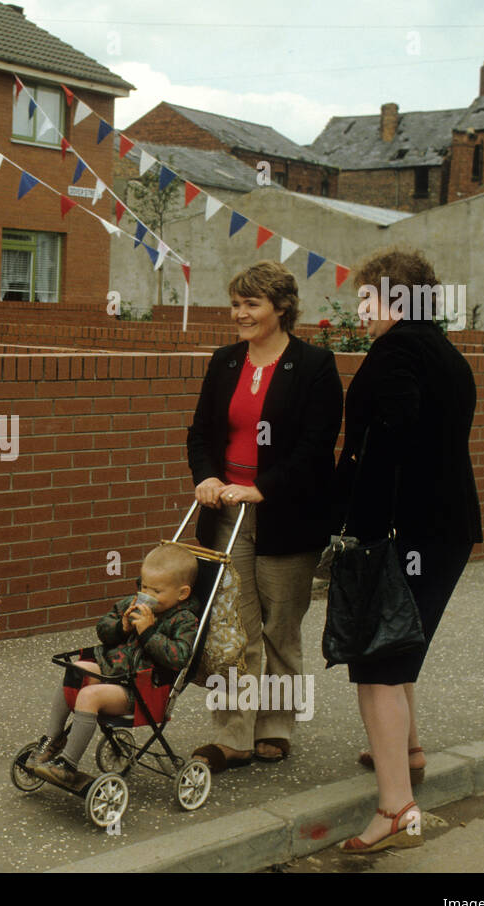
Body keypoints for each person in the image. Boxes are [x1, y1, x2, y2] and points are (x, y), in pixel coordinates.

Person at [333, 246, 482, 854]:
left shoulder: (395, 353)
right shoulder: (447, 353)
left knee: (377, 662)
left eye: (365, 299)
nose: (359, 312)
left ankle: (395, 809)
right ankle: (408, 751)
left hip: (405, 529)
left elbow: (390, 442)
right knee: (400, 644)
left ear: (393, 297)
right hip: (446, 526)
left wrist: (355, 522)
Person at [185, 261, 343, 771]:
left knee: (280, 627)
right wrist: (207, 477)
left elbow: (317, 446)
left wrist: (263, 488)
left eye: (251, 304)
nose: (240, 313)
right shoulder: (225, 361)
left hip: (287, 515)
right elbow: (200, 433)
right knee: (232, 626)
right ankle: (232, 734)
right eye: (236, 304)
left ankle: (275, 726)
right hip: (226, 513)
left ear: (281, 307)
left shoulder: (315, 365)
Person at [29, 543, 199, 790]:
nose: (146, 595)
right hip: (117, 672)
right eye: (144, 586)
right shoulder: (132, 603)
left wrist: (149, 633)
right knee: (77, 669)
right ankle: (53, 738)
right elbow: (103, 628)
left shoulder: (184, 620)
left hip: (143, 691)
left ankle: (68, 764)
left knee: (89, 696)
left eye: (156, 591)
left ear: (182, 594)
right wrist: (122, 627)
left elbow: (179, 657)